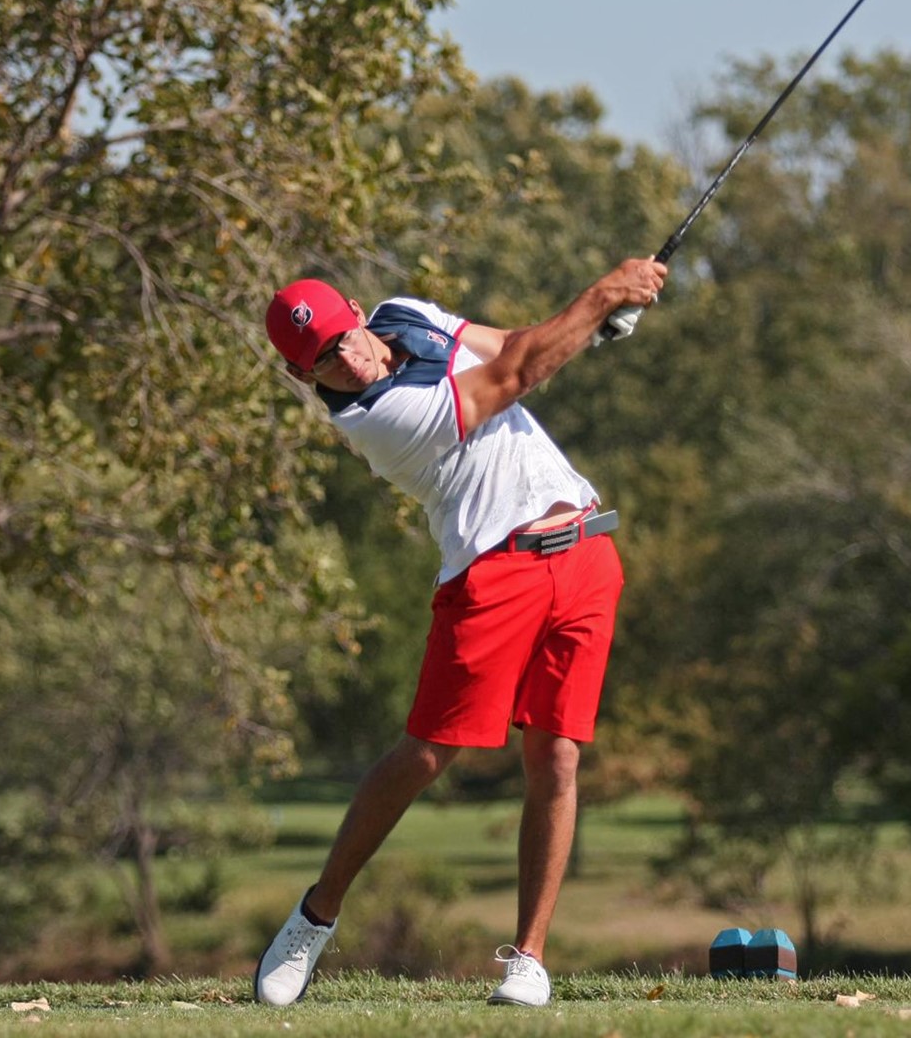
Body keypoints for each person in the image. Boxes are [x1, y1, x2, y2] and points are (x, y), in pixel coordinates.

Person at [253, 258, 668, 1008]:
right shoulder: (371, 419)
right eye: (322, 361)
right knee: (425, 754)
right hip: (492, 574)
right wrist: (602, 293)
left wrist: (593, 329)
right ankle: (316, 916)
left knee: (559, 755)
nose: (347, 360)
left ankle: (530, 961)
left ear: (355, 311)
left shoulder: (402, 311)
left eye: (346, 338)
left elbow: (507, 341)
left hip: (584, 552)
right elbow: (510, 376)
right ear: (300, 372)